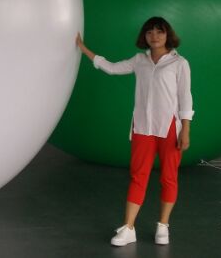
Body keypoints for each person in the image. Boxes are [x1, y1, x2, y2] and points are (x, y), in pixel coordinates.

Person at [75, 16, 194, 247]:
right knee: (138, 176)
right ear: (144, 36)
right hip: (142, 127)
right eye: (149, 32)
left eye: (159, 31)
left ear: (167, 34)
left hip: (169, 127)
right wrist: (83, 48)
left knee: (169, 177)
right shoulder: (139, 60)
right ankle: (129, 228)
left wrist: (185, 129)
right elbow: (111, 68)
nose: (154, 36)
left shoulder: (180, 63)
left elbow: (185, 97)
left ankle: (163, 225)